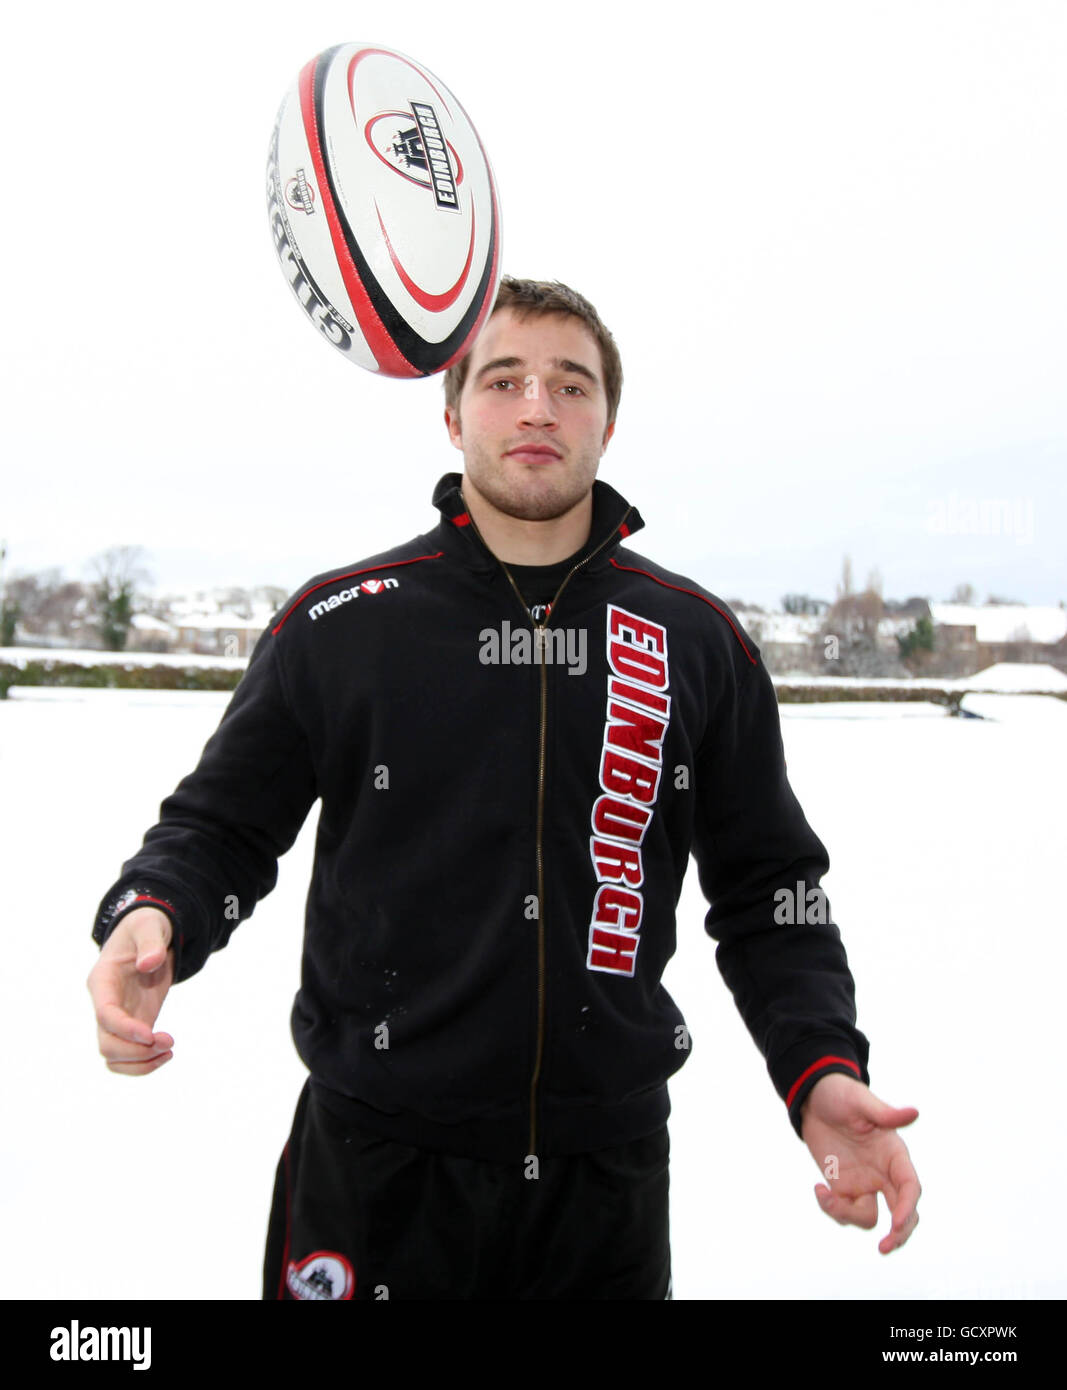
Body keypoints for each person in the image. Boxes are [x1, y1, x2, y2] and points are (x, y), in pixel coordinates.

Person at [87, 276, 921, 1300]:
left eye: (571, 384)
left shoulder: (693, 639)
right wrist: (154, 910)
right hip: (374, 1172)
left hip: (600, 1190)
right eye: (504, 379)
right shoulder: (342, 621)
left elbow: (769, 891)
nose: (537, 405)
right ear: (449, 415)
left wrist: (818, 1068)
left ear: (607, 425)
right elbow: (219, 825)